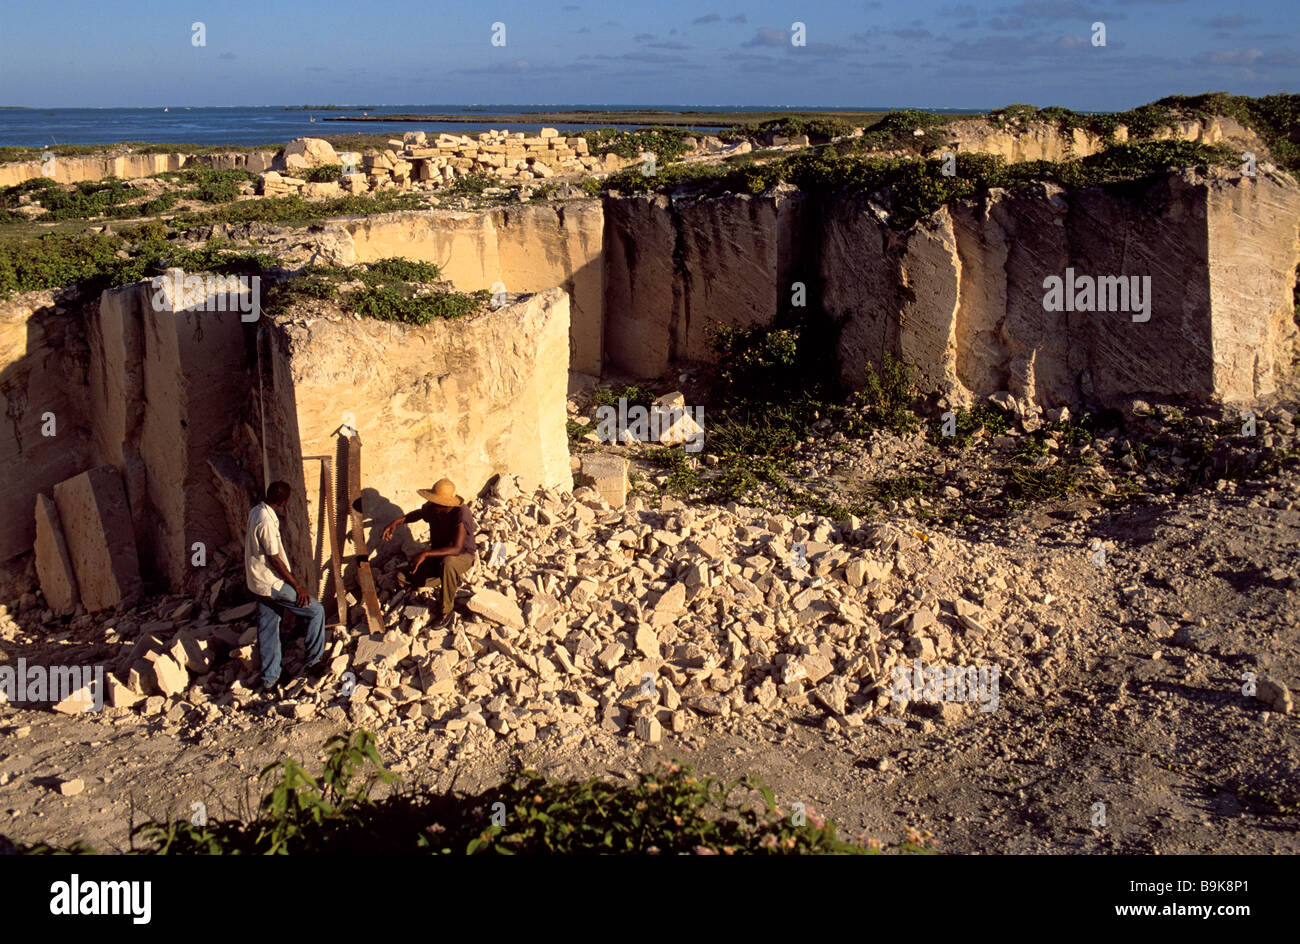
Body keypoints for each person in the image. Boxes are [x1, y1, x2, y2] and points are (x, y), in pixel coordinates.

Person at [244, 480, 326, 692]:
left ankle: (270, 679)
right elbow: (274, 559)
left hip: (257, 582)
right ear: (284, 501)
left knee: (268, 627)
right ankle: (314, 662)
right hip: (270, 582)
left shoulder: (257, 510)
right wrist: (298, 586)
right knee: (316, 611)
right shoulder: (266, 521)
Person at [381, 477, 477, 628]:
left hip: (462, 556)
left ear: (445, 505)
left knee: (448, 563)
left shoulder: (461, 513)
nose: (430, 505)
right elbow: (418, 514)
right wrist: (396, 522)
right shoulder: (433, 508)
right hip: (438, 555)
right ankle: (448, 580)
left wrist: (425, 554)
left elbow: (457, 549)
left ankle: (446, 611)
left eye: (434, 503)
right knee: (402, 577)